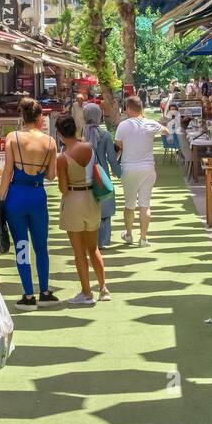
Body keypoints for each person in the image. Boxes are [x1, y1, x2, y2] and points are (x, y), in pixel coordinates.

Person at [0, 96, 58, 308]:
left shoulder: (12, 138)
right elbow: (51, 175)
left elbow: (7, 171)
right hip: (37, 195)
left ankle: (28, 294)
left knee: (21, 245)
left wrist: (1, 197)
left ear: (22, 117)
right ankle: (44, 291)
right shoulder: (50, 142)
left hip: (16, 195)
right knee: (41, 246)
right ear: (40, 116)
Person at [56, 113, 108, 304]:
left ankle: (87, 293)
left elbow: (63, 188)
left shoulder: (62, 158)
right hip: (92, 199)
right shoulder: (88, 147)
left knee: (79, 252)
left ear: (60, 133)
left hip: (73, 200)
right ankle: (103, 287)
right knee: (93, 248)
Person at [114, 94, 163, 248]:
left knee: (129, 204)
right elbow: (166, 130)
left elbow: (118, 144)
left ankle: (129, 234)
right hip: (148, 168)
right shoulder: (150, 124)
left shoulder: (123, 125)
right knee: (145, 205)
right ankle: (143, 238)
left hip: (129, 168)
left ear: (128, 108)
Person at [83, 101, 120, 249]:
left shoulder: (81, 133)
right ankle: (103, 240)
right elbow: (111, 158)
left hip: (85, 174)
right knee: (105, 207)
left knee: (88, 206)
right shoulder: (104, 135)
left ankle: (89, 239)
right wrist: (119, 172)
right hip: (102, 173)